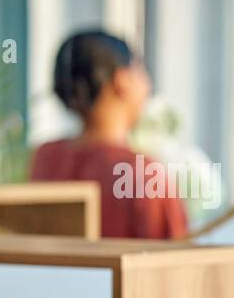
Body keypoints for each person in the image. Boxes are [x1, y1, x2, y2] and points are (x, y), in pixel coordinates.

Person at [29, 30, 189, 239]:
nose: (147, 85)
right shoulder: (142, 172)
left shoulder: (46, 157)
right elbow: (177, 258)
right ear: (122, 80)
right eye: (140, 72)